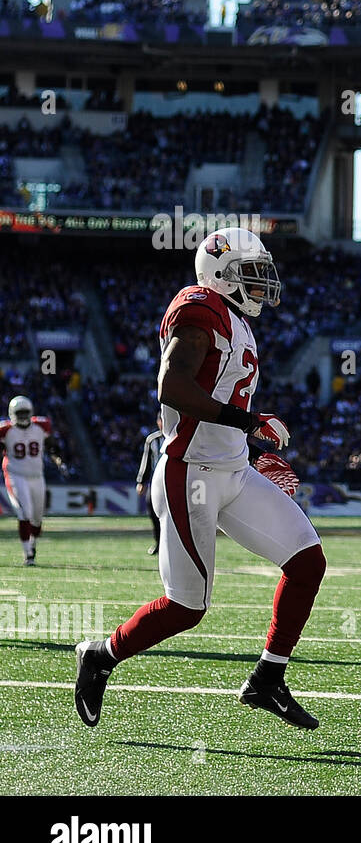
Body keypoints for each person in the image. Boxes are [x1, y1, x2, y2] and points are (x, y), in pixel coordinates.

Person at [75, 227, 328, 731]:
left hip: (232, 470)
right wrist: (252, 424)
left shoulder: (234, 320)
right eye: (251, 275)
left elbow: (216, 405)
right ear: (221, 274)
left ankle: (267, 679)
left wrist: (249, 449)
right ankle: (102, 655)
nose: (261, 286)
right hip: (190, 476)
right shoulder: (199, 308)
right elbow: (171, 387)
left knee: (307, 563)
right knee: (187, 608)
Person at [1, 395, 54, 565]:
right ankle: (28, 555)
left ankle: (33, 545)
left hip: (37, 476)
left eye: (25, 412)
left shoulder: (41, 426)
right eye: (20, 412)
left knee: (37, 518)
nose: (23, 416)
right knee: (24, 513)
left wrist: (57, 456)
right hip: (16, 475)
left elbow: (52, 445)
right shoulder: (5, 430)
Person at [136, 417, 165, 554]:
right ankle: (159, 543)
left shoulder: (177, 437)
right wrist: (141, 481)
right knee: (152, 510)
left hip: (173, 481)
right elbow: (146, 461)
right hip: (155, 482)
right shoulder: (152, 440)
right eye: (161, 420)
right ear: (158, 422)